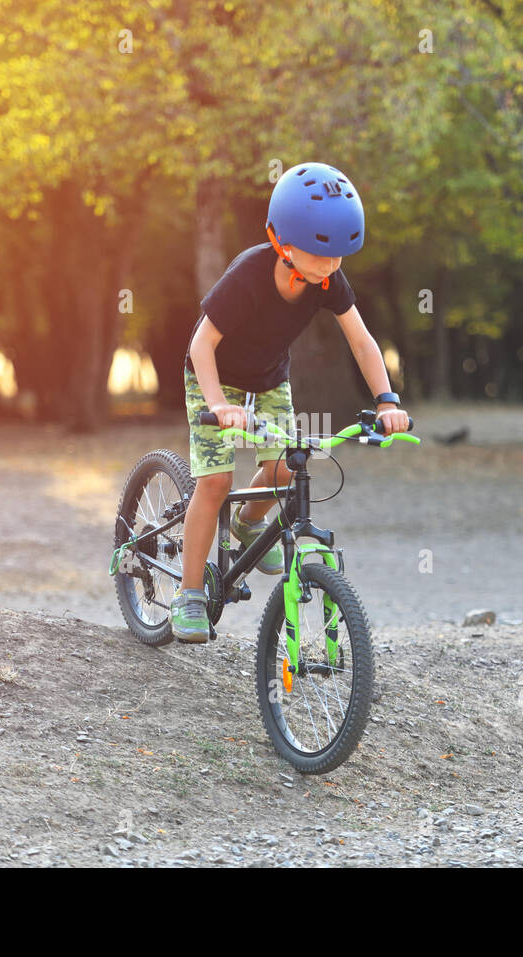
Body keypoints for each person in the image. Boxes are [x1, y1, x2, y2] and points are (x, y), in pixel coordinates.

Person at [172, 161, 410, 642]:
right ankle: (190, 594)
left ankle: (247, 521)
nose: (330, 267)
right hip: (212, 375)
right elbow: (201, 344)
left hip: (268, 379)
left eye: (339, 256)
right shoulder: (248, 276)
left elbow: (362, 342)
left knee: (287, 465)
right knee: (216, 480)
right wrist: (218, 404)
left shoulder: (327, 282)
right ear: (283, 244)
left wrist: (386, 400)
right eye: (320, 255)